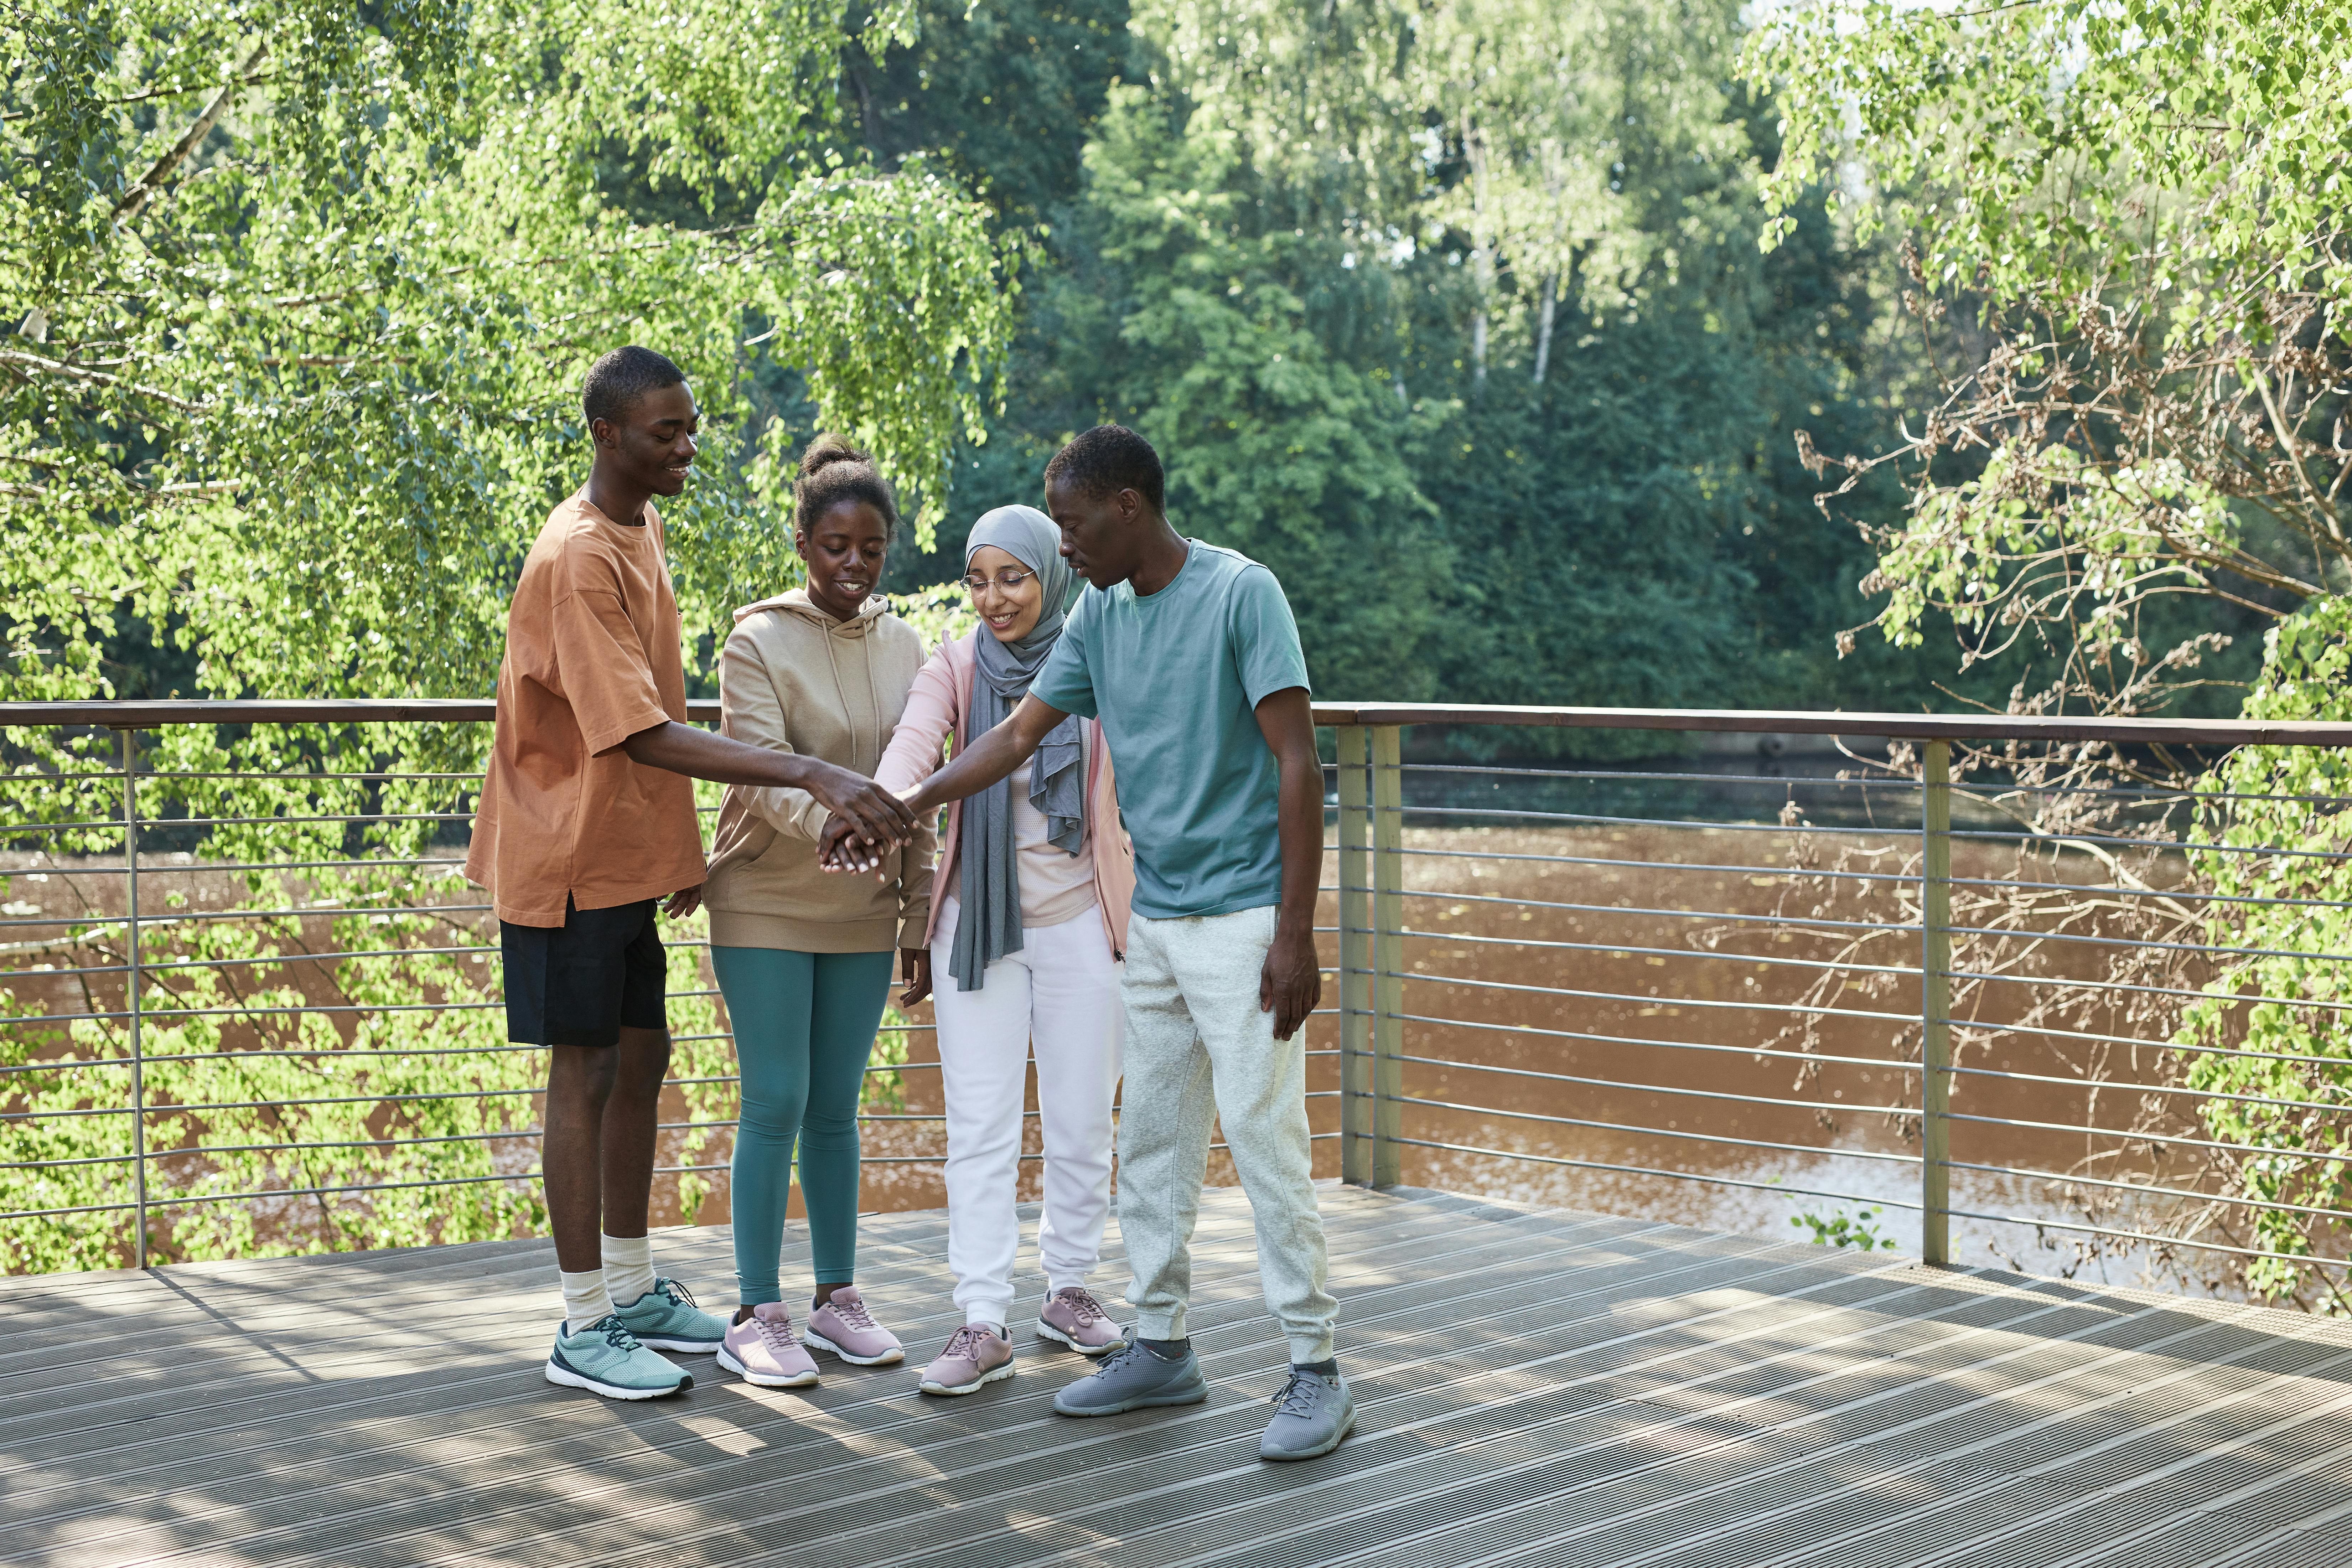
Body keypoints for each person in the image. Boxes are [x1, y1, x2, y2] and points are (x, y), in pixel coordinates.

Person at [822, 425, 1351, 1461]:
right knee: (1150, 1142)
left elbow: (1297, 763)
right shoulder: (1104, 615)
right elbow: (1018, 734)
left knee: (1263, 1142)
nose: (1065, 551)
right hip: (1153, 920)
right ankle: (1159, 1345)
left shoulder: (1245, 594)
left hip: (1244, 919)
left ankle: (1314, 1367)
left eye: (1070, 527)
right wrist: (909, 804)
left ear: (1127, 507)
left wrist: (1297, 932)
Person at [469, 349, 919, 1402]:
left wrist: (674, 855)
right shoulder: (579, 555)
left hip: (623, 859)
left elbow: (642, 713)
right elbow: (637, 729)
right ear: (606, 437)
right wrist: (808, 768)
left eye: (690, 427)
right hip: (565, 859)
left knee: (643, 1056)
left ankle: (629, 1290)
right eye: (665, 433)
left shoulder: (640, 524)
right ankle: (583, 1325)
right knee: (581, 1074)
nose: (686, 447)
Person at [869, 506, 1135, 1398]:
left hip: (1080, 925)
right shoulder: (951, 664)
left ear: (1050, 575)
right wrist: (883, 801)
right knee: (977, 1131)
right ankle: (982, 1318)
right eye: (978, 580)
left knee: (1081, 1120)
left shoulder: (1095, 657)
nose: (994, 599)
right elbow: (911, 748)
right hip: (975, 931)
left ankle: (1069, 1289)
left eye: (1013, 577)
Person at [700, 436, 936, 1390]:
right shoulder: (755, 640)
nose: (854, 564)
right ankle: (757, 1311)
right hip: (765, 896)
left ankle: (837, 1301)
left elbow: (921, 779)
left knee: (836, 1110)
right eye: (836, 546)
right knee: (776, 1100)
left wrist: (915, 912)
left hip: (863, 905)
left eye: (871, 549)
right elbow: (759, 770)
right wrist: (838, 830)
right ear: (803, 543)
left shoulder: (909, 644)